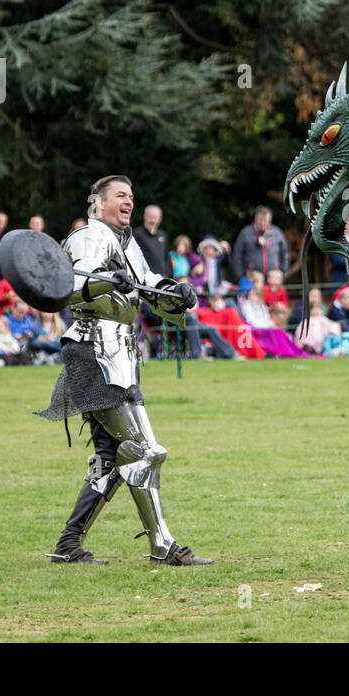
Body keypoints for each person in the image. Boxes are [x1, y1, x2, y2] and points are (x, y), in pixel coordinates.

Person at [40, 175, 210, 566]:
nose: (128, 201)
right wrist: (106, 285)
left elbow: (149, 286)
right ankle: (163, 545)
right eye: (120, 195)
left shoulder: (127, 242)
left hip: (121, 355)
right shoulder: (88, 236)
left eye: (131, 195)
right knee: (143, 451)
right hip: (91, 351)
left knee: (114, 454)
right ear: (99, 203)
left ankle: (68, 543)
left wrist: (178, 292)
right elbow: (68, 289)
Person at [232, 205, 289, 281]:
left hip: (273, 280)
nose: (262, 223)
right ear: (255, 218)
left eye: (266, 220)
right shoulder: (245, 233)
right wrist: (240, 276)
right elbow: (237, 255)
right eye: (260, 220)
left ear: (270, 220)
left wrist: (283, 273)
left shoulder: (277, 233)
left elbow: (285, 253)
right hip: (251, 279)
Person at [132, 204, 168, 276]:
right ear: (144, 216)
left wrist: (167, 274)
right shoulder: (136, 234)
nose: (153, 220)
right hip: (144, 279)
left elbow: (166, 258)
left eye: (155, 217)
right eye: (150, 217)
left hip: (161, 280)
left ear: (160, 219)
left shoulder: (163, 235)